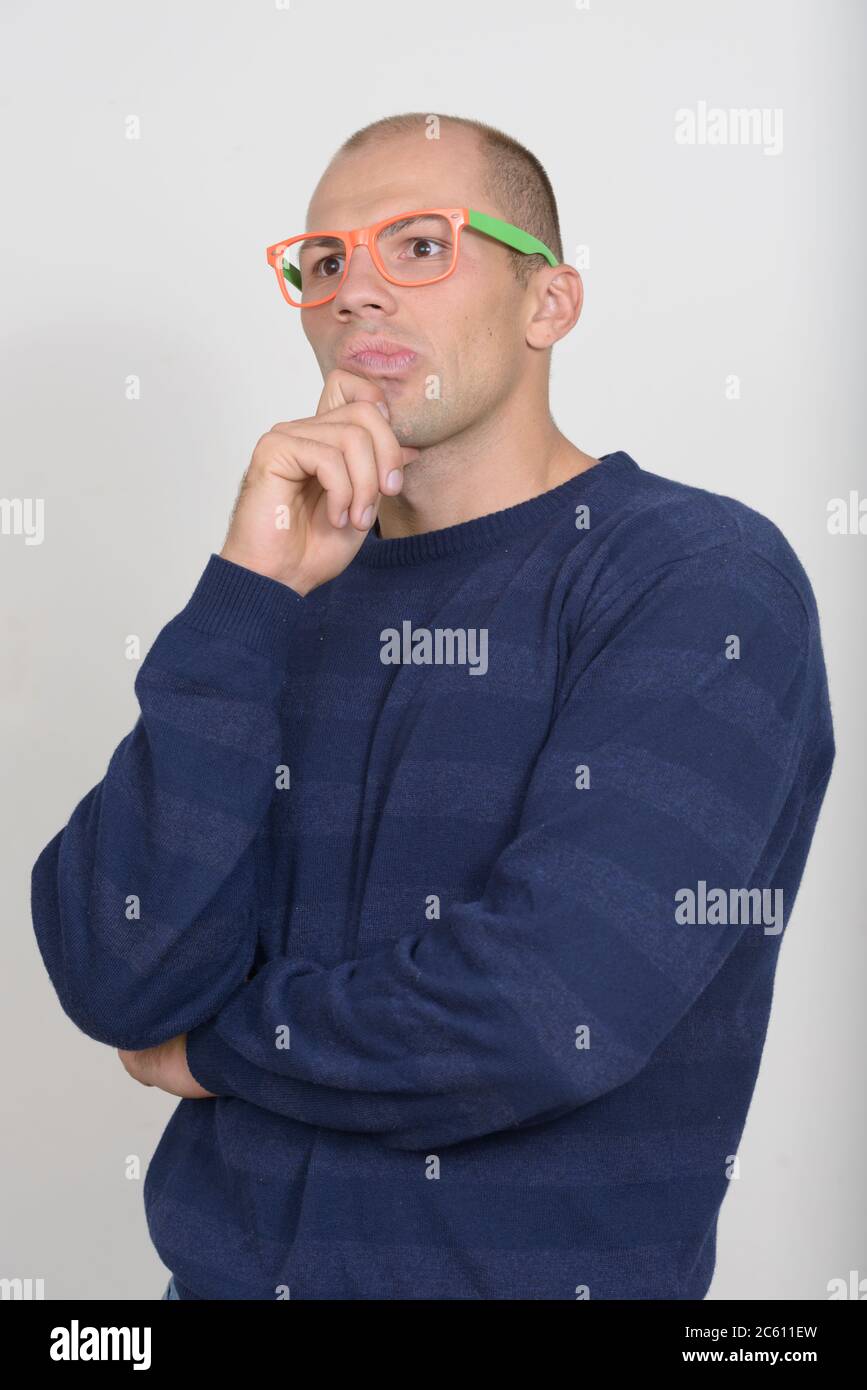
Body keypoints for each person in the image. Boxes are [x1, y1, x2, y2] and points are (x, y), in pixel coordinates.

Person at [30, 112, 835, 1300]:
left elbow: (545, 1007)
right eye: (326, 260)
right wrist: (245, 594)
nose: (356, 291)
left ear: (548, 303)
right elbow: (114, 967)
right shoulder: (282, 594)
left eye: (418, 246)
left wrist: (216, 1049)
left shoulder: (696, 578)